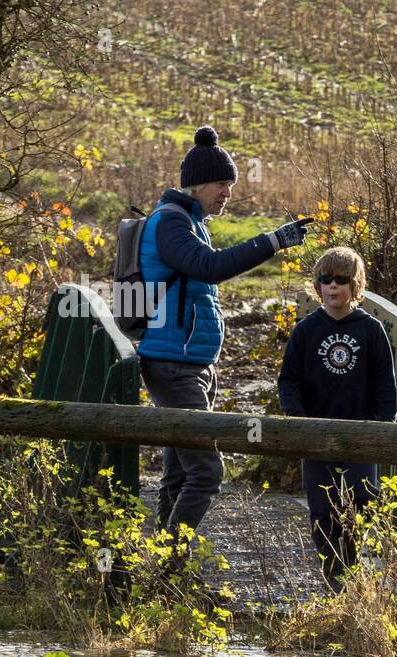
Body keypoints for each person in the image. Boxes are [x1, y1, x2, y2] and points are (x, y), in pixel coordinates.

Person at [138, 124, 311, 546]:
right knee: (207, 471)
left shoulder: (190, 221)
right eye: (221, 184)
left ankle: (166, 566)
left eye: (231, 185)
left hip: (190, 363)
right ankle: (170, 563)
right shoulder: (170, 224)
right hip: (173, 364)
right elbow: (210, 267)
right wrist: (272, 242)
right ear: (196, 184)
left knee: (181, 471)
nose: (228, 193)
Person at [278, 246, 397, 591]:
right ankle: (337, 583)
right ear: (317, 286)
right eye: (325, 280)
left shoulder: (371, 330)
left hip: (360, 438)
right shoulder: (305, 331)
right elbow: (288, 382)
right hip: (315, 438)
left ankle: (350, 576)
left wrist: (383, 429)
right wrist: (299, 422)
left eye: (341, 280)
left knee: (361, 504)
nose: (332, 287)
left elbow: (384, 386)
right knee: (322, 512)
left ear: (355, 285)